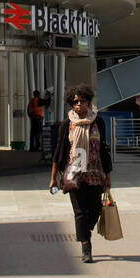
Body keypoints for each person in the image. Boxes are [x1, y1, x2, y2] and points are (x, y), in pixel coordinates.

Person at [49, 84, 112, 264]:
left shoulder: (98, 122)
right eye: (74, 102)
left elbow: (103, 149)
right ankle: (86, 246)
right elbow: (59, 151)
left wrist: (108, 175)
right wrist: (53, 178)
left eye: (81, 101)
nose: (78, 105)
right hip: (74, 173)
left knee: (95, 209)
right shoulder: (67, 124)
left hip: (95, 173)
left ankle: (86, 231)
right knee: (80, 213)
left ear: (88, 102)